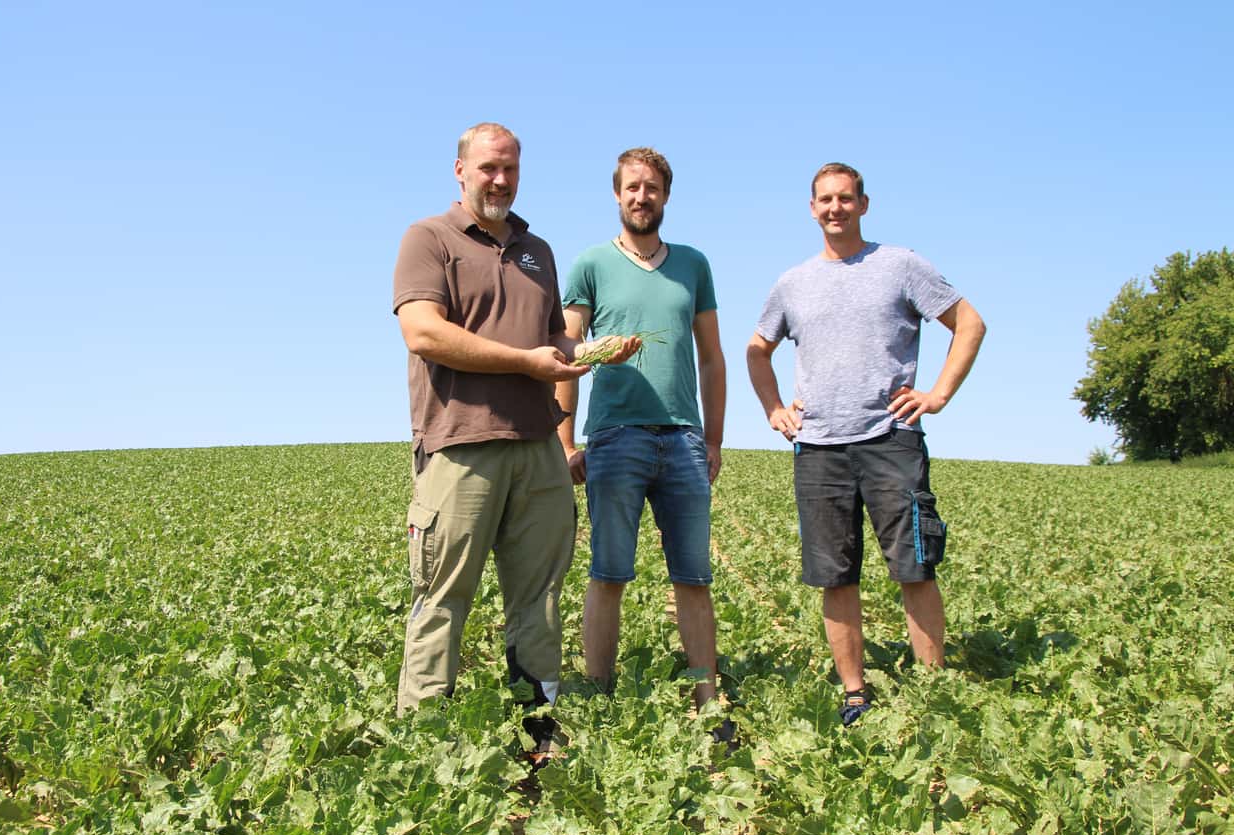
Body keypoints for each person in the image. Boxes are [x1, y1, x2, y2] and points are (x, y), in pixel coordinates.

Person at [392, 122, 634, 739]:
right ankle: (425, 740)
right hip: (461, 446)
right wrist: (526, 362)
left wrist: (594, 351)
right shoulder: (429, 239)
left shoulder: (538, 252)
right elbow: (424, 332)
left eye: (511, 170)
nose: (500, 180)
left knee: (539, 600)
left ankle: (538, 726)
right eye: (488, 168)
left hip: (536, 447)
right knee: (443, 597)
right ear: (460, 170)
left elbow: (553, 340)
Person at [746, 162, 986, 725]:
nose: (835, 208)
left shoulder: (900, 265)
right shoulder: (793, 282)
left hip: (890, 441)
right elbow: (758, 350)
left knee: (914, 567)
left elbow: (969, 324)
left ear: (864, 204)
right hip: (821, 448)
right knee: (835, 574)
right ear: (812, 208)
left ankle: (931, 696)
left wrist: (938, 394)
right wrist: (775, 410)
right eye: (825, 200)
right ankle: (855, 692)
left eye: (845, 198)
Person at [556, 147, 729, 728]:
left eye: (651, 188)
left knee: (694, 576)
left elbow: (712, 357)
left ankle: (708, 700)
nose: (641, 196)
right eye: (632, 187)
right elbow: (565, 352)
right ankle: (598, 695)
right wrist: (565, 442)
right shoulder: (590, 266)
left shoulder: (694, 265)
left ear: (665, 196)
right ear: (617, 194)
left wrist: (714, 439)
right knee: (608, 573)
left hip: (683, 439)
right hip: (614, 437)